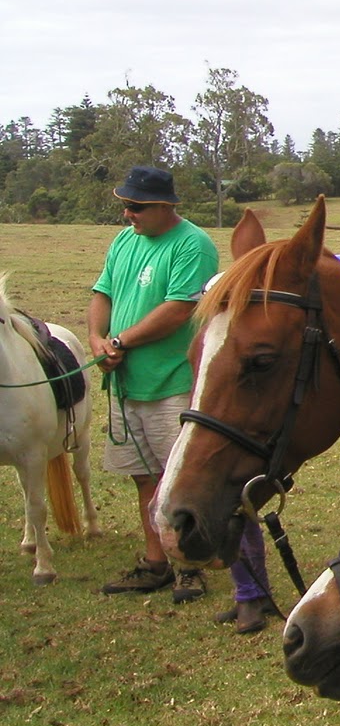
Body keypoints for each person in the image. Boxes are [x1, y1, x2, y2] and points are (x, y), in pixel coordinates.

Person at [88, 165, 220, 604]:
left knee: (181, 479)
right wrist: (96, 340)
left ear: (165, 206)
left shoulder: (192, 244)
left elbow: (180, 308)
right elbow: (102, 294)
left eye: (137, 206)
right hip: (125, 383)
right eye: (125, 205)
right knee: (144, 477)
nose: (128, 214)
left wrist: (121, 340)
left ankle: (190, 566)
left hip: (172, 382)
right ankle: (155, 563)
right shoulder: (124, 241)